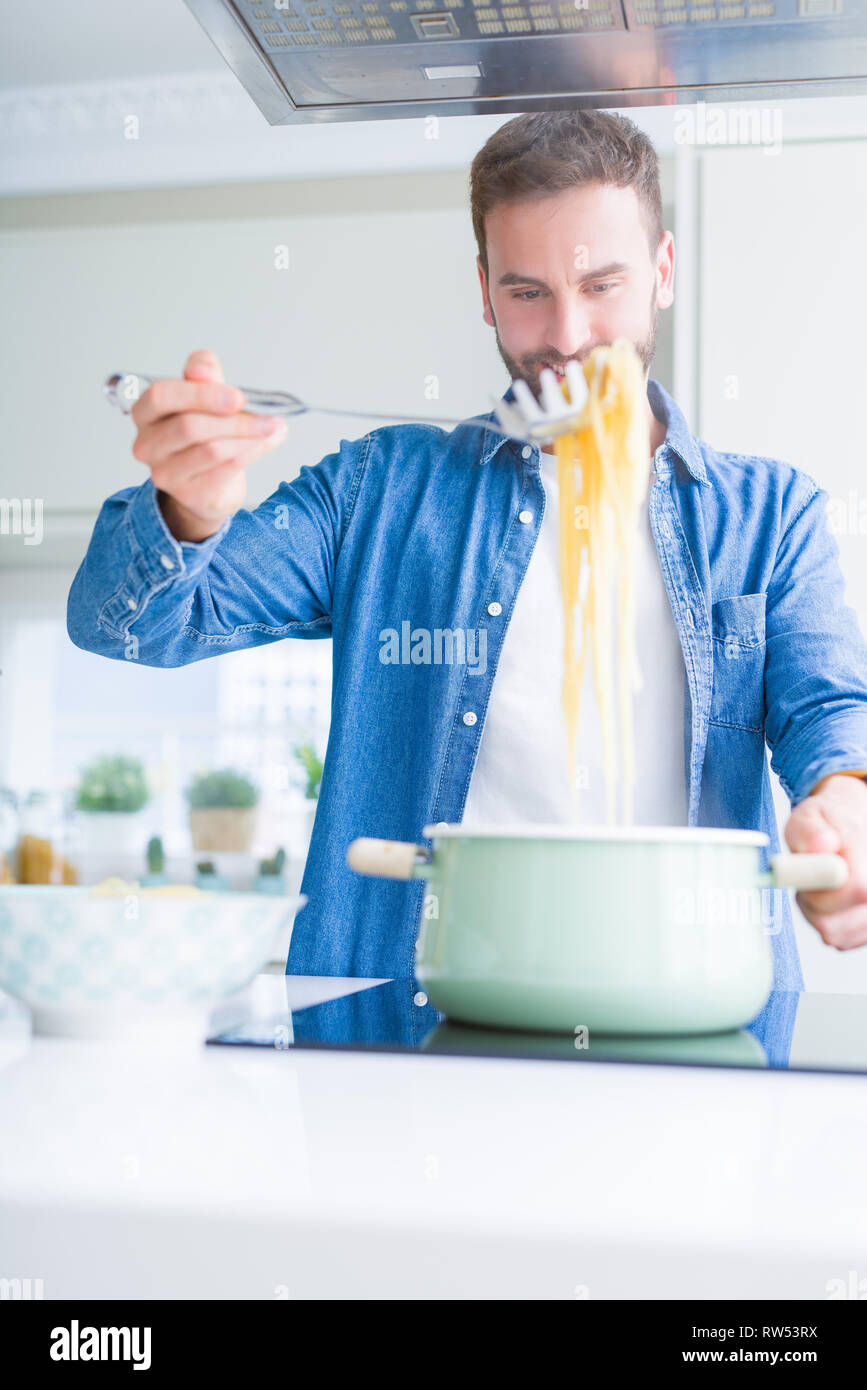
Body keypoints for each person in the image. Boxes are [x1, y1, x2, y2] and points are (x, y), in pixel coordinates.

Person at [68, 110, 867, 986]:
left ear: (661, 272)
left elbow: (827, 710)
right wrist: (188, 506)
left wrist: (846, 803)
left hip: (691, 1003)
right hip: (415, 1015)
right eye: (528, 293)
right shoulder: (379, 490)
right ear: (484, 290)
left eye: (601, 284)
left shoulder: (771, 514)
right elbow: (135, 629)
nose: (567, 337)